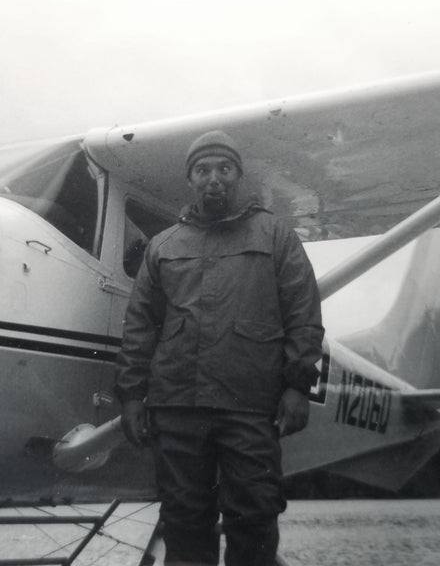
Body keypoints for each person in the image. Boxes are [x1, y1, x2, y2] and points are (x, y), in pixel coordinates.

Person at [114, 130, 324, 566]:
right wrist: (132, 395)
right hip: (177, 406)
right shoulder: (162, 247)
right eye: (203, 170)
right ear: (190, 180)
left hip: (248, 405)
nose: (214, 179)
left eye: (224, 169)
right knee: (183, 519)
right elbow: (140, 327)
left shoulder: (277, 236)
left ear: (238, 176)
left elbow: (303, 314)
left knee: (254, 516)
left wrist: (297, 386)